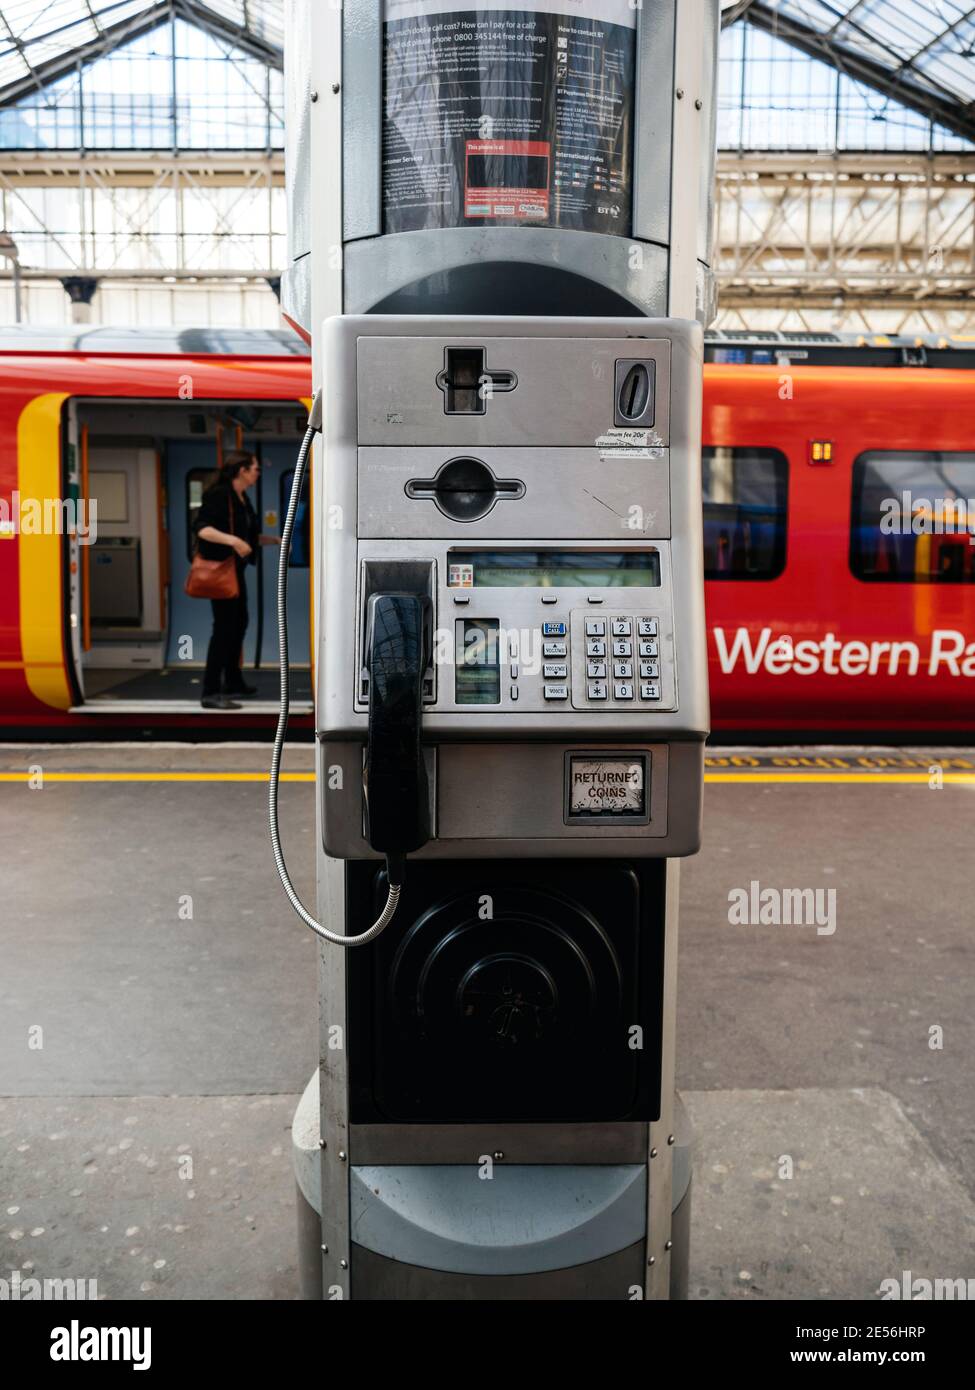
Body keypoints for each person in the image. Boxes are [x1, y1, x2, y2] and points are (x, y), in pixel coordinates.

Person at [194, 452, 280, 710]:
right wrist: (233, 541)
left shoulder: (242, 499)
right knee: (224, 629)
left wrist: (274, 540)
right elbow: (202, 528)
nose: (258, 473)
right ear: (242, 470)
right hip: (222, 572)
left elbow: (248, 536)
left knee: (239, 623)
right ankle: (210, 692)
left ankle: (232, 681)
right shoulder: (219, 495)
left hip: (235, 573)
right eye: (255, 469)